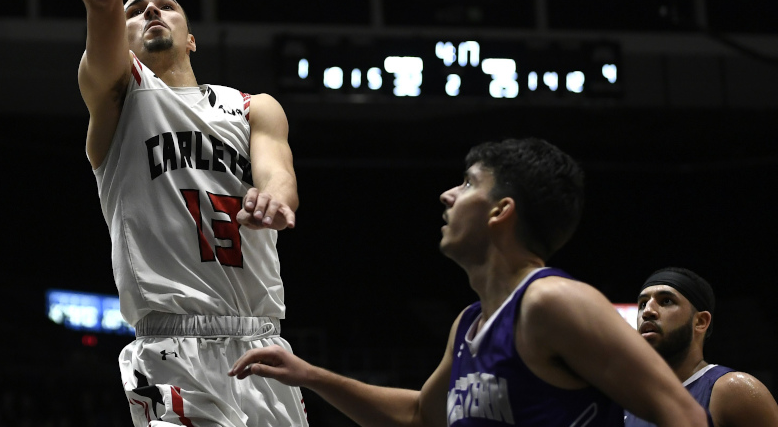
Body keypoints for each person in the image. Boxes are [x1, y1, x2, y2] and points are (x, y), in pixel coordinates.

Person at [0, 0, 305, 427]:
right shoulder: (118, 95)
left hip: (265, 343)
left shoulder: (254, 106)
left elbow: (277, 174)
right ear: (124, 40)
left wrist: (275, 195)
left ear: (191, 36)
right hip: (174, 342)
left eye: (166, 4)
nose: (149, 10)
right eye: (139, 10)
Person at [230, 138, 709, 427]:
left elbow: (682, 415)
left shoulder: (553, 302)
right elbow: (420, 417)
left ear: (502, 211)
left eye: (468, 183)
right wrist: (307, 374)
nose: (447, 195)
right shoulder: (471, 324)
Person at [626, 268, 778, 427]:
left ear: (700, 322)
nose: (647, 311)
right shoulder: (627, 399)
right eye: (643, 304)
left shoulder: (733, 391)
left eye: (666, 301)